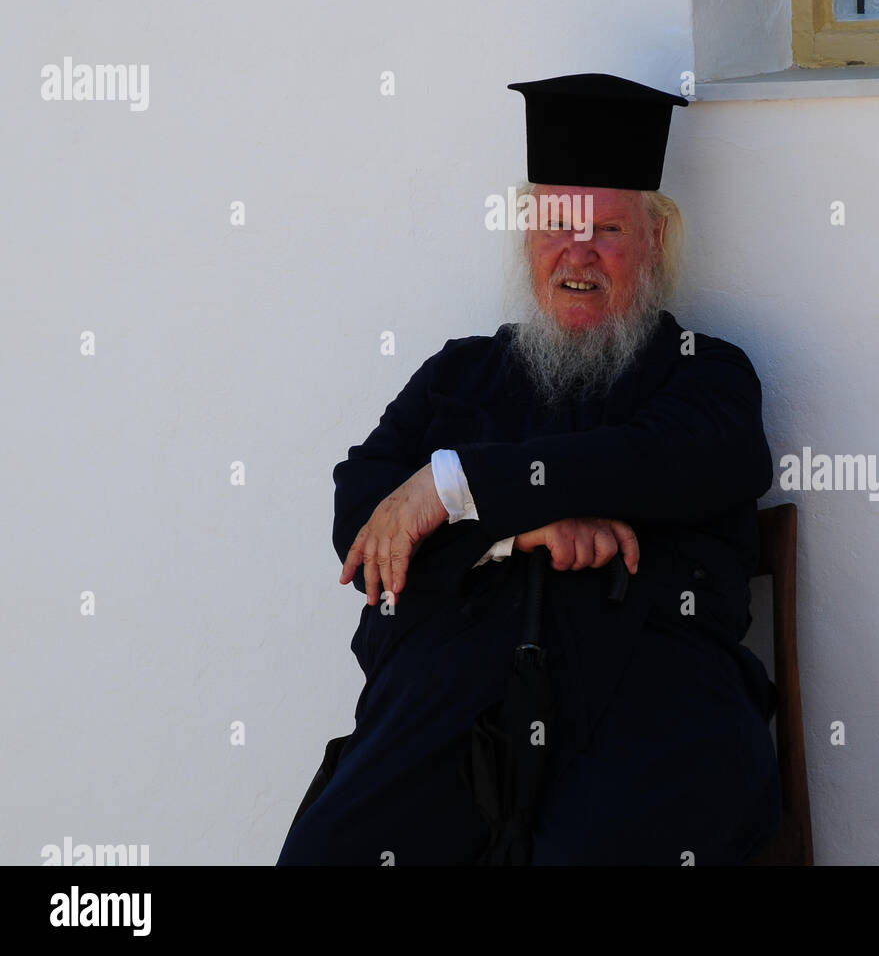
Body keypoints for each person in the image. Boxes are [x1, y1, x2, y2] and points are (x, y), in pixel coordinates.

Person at [276, 73, 781, 866]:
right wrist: (522, 532)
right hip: (449, 695)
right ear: (525, 240)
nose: (577, 252)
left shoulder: (703, 372)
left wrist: (457, 487)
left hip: (651, 692)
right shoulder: (460, 373)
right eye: (555, 226)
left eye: (607, 230)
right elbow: (363, 517)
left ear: (655, 243)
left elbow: (685, 458)